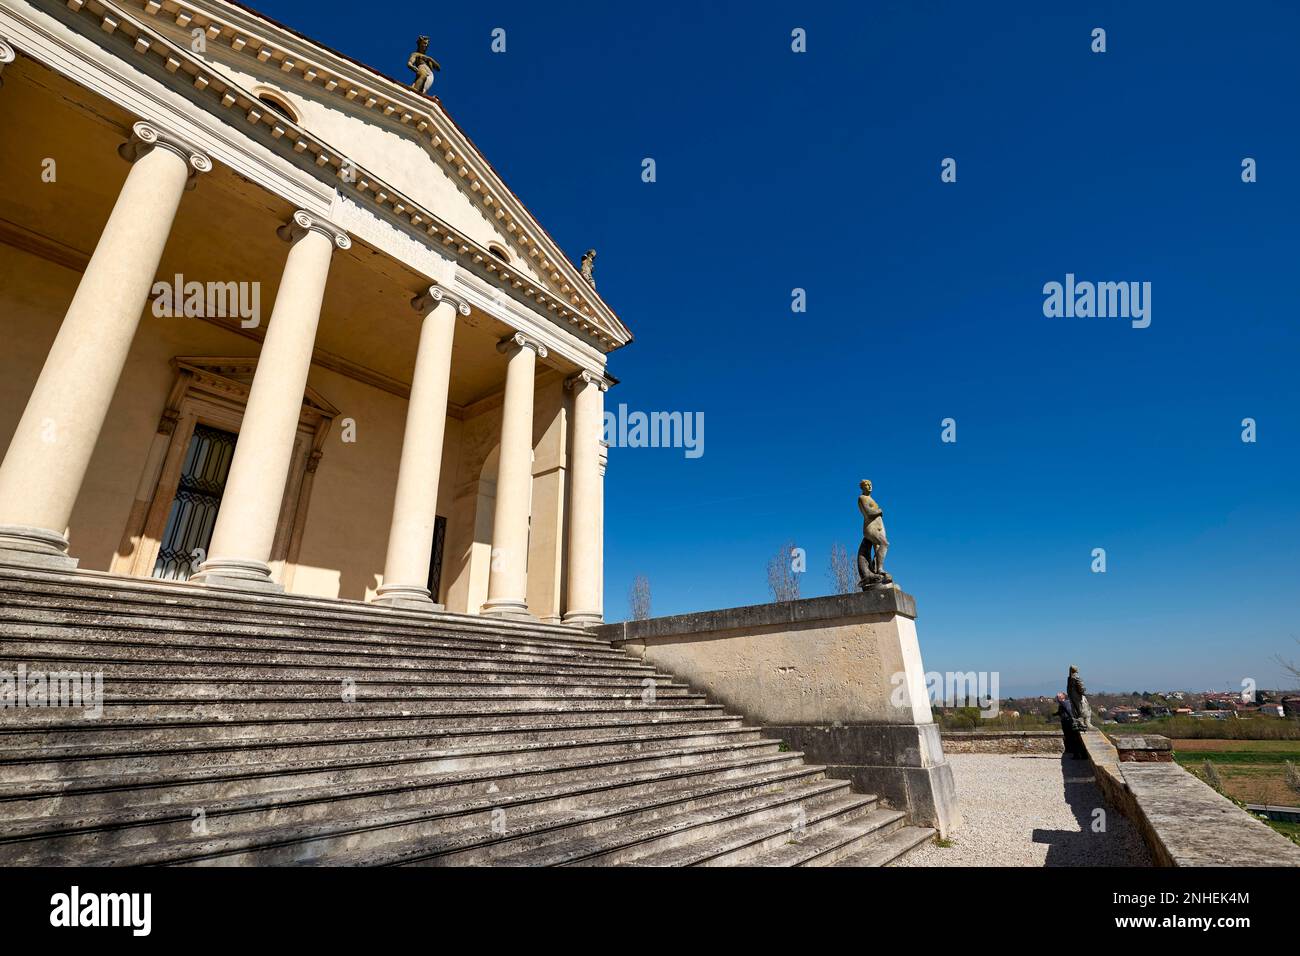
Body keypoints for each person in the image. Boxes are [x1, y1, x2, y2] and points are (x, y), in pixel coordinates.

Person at [1055, 692, 1086, 758]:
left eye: (1057, 697)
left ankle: (1078, 754)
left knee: (1073, 739)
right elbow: (1062, 712)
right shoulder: (1063, 704)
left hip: (1068, 723)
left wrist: (1073, 719)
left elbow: (1069, 711)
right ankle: (1078, 754)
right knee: (1073, 739)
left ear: (1061, 698)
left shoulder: (1065, 703)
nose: (1056, 699)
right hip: (1068, 722)